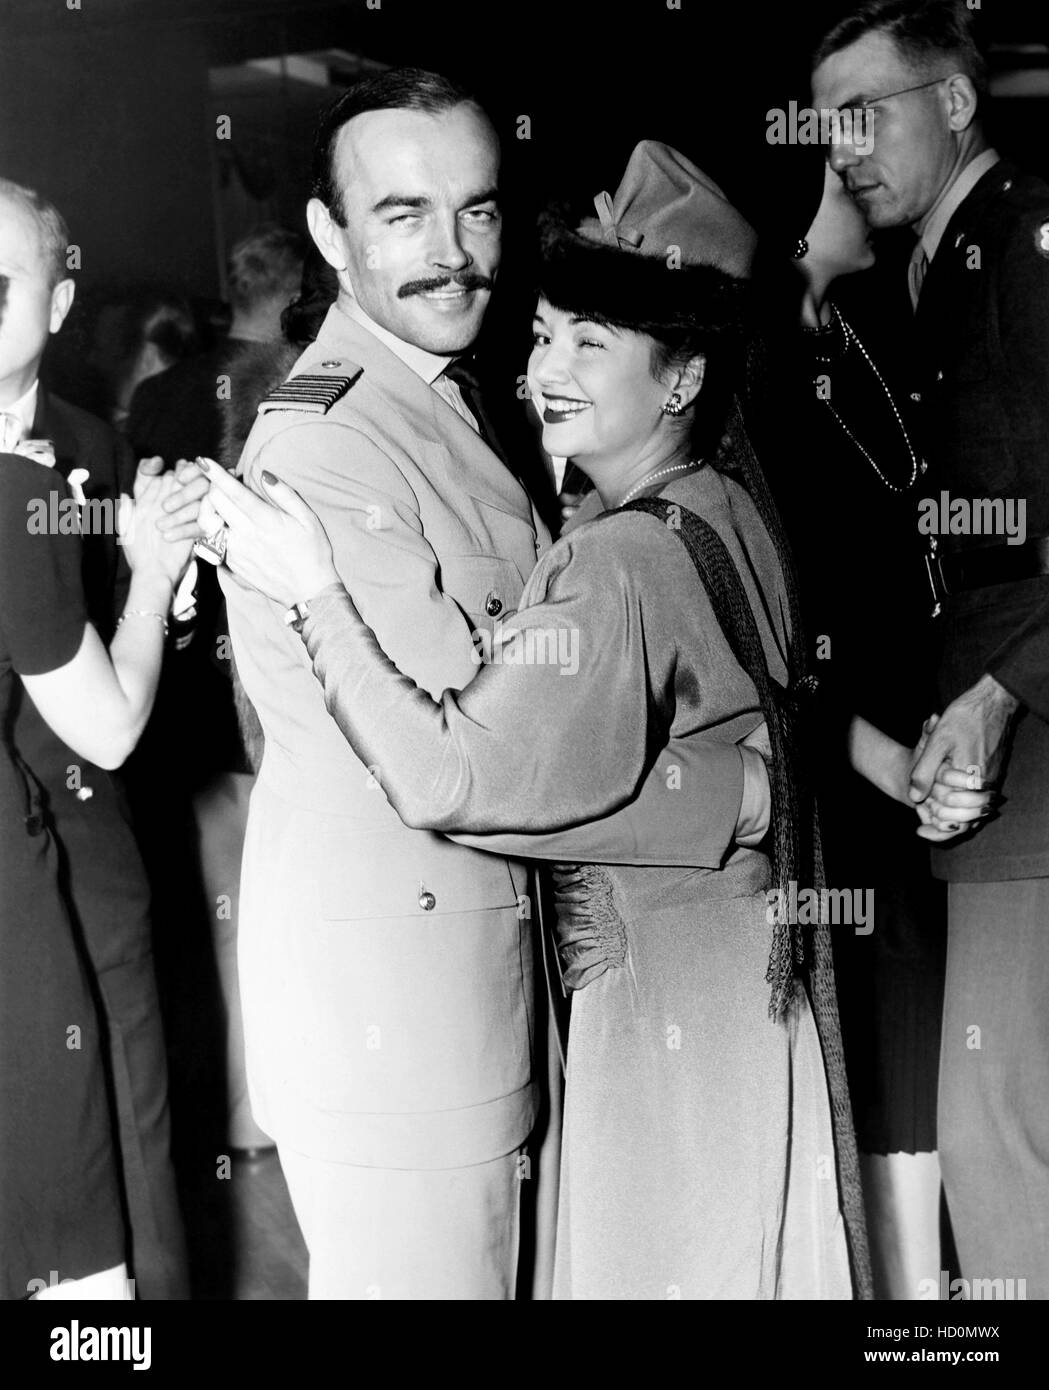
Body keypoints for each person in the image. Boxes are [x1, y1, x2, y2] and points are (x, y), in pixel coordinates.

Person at [192, 139, 923, 1299]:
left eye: (593, 342)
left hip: (658, 997)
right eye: (543, 336)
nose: (548, 368)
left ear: (680, 378)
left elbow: (453, 777)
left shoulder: (618, 556)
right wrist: (752, 790)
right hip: (737, 978)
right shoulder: (722, 501)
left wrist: (317, 595)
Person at [813, 0, 1049, 1297]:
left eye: (867, 110)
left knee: (997, 1140)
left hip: (1035, 766)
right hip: (982, 777)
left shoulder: (1025, 246)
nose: (840, 144)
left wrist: (1001, 694)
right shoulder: (917, 278)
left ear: (953, 103)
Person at [741, 137, 951, 1298]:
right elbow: (771, 647)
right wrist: (876, 756)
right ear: (786, 228)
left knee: (928, 1065)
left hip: (916, 753)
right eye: (832, 180)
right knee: (882, 1067)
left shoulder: (861, 333)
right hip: (850, 781)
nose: (857, 189)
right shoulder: (762, 393)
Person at [0, 178, 191, 1299]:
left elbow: (143, 620)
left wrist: (170, 580)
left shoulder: (92, 446)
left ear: (61, 302)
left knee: (131, 1118)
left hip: (93, 851)